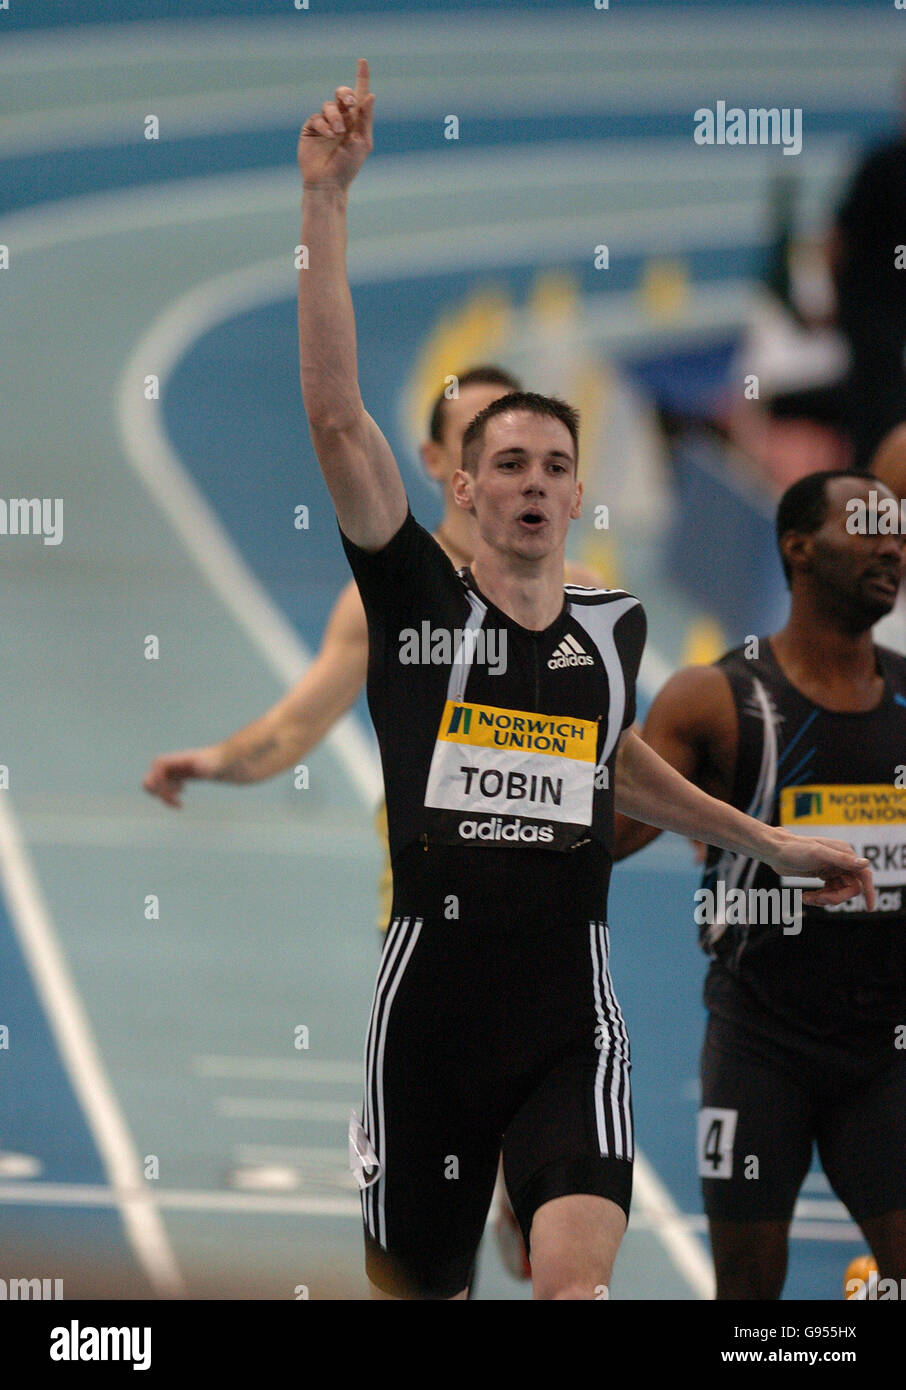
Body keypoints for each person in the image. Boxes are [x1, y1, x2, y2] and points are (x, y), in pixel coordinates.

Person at [293, 61, 872, 1301]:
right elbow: (341, 418)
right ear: (463, 485)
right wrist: (326, 203)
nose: (538, 480)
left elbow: (618, 757)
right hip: (430, 1024)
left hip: (571, 1016)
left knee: (574, 1285)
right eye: (510, 462)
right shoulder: (413, 602)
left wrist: (760, 840)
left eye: (558, 461)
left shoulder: (610, 628)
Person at [613, 469, 906, 1299]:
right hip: (759, 1047)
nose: (893, 545)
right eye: (870, 528)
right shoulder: (718, 699)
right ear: (798, 547)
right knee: (748, 1296)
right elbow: (610, 838)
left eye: (902, 530)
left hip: (889, 1051)